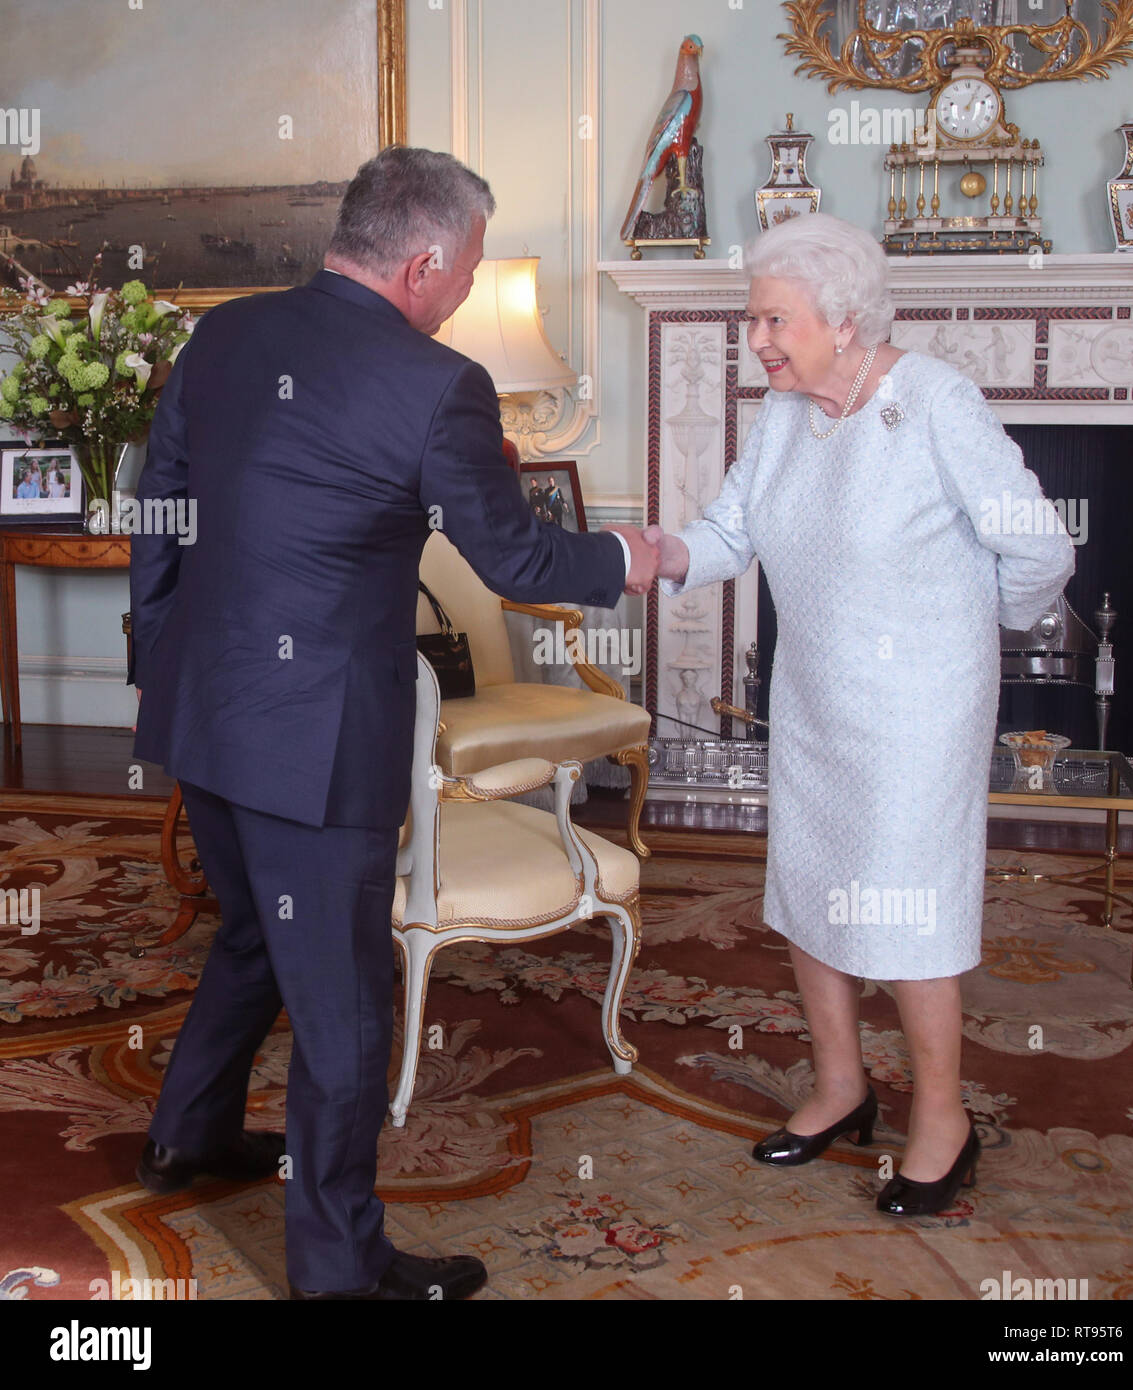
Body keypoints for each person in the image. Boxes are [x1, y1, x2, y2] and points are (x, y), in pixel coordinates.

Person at [128, 145, 659, 1300]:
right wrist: (629, 553)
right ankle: (339, 1268)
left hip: (201, 714)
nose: (465, 289)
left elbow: (157, 505)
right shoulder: (435, 384)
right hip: (314, 751)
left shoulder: (226, 335)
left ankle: (188, 1136)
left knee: (254, 936)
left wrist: (156, 666)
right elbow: (517, 554)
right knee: (350, 1007)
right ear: (423, 259)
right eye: (465, 268)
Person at [645, 213, 1074, 1217]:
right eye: (754, 319)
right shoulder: (790, 413)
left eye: (773, 320)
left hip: (921, 704)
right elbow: (729, 529)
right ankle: (841, 1086)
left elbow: (1042, 547)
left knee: (905, 904)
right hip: (815, 696)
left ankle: (943, 1119)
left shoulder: (933, 401)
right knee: (812, 885)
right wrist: (655, 553)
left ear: (842, 320)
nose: (758, 339)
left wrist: (981, 625)